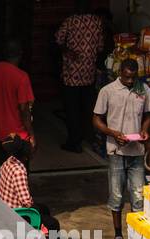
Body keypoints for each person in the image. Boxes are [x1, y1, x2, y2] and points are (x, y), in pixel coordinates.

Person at [93, 58, 150, 239]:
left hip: (136, 151)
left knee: (138, 196)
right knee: (117, 196)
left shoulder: (143, 89)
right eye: (127, 77)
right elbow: (96, 119)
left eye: (133, 77)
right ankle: (118, 236)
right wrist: (113, 133)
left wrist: (145, 130)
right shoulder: (107, 91)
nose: (130, 81)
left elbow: (149, 115)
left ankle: (138, 238)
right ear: (120, 73)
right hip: (116, 152)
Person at [0, 135, 81, 239]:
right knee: (53, 224)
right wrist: (34, 207)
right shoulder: (19, 171)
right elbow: (26, 201)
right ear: (25, 156)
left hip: (6, 209)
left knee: (44, 209)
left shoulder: (7, 163)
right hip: (17, 214)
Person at [0, 39, 35, 188]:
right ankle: (16, 207)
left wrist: (2, 103)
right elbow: (24, 109)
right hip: (18, 137)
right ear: (21, 54)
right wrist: (32, 135)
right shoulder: (22, 77)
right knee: (19, 176)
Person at [54, 0, 103, 153]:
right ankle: (89, 138)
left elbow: (57, 39)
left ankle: (74, 142)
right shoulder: (97, 22)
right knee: (87, 108)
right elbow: (100, 46)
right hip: (89, 74)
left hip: (71, 74)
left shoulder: (70, 21)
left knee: (71, 109)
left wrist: (66, 50)